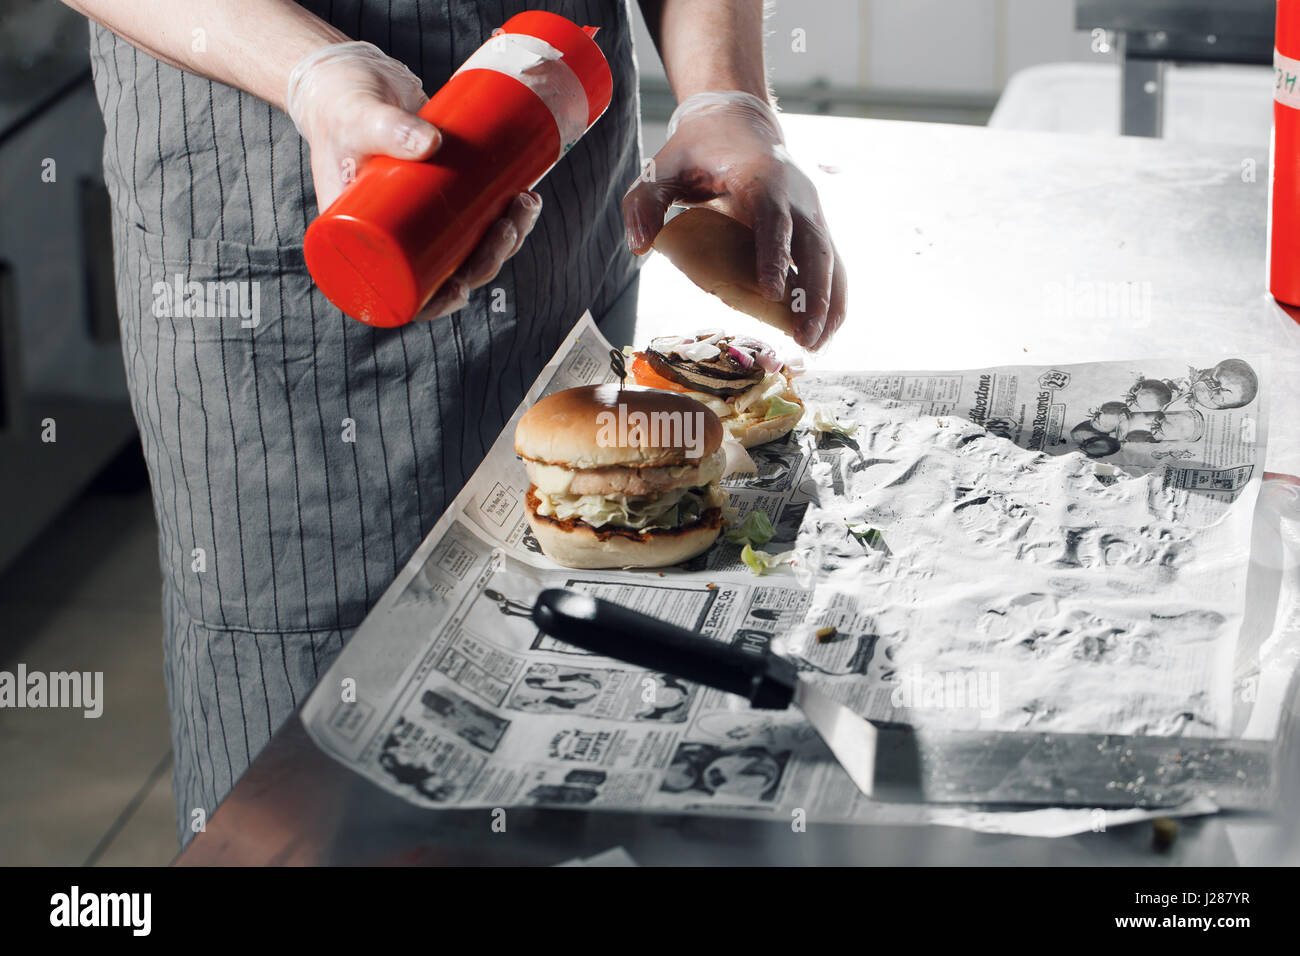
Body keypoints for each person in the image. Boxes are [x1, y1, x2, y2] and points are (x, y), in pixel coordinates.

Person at [60, 0, 848, 847]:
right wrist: (311, 70)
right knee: (321, 782)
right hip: (288, 260)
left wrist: (725, 98)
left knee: (588, 688)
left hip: (563, 199)